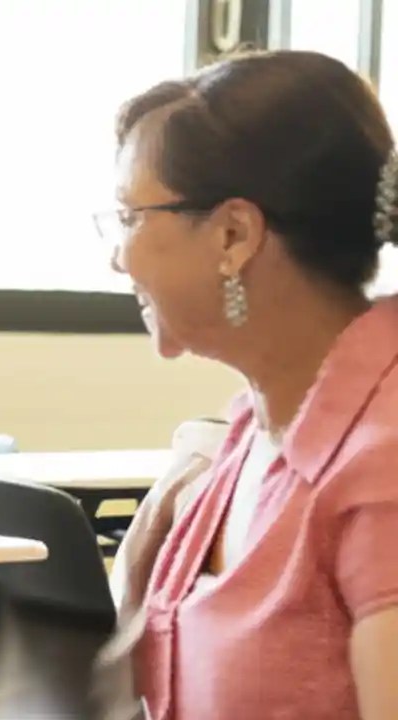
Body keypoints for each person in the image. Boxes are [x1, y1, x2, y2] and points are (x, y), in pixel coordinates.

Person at [94, 49, 398, 719]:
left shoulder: (382, 468)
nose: (119, 256)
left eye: (130, 217)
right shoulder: (246, 432)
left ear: (234, 233)